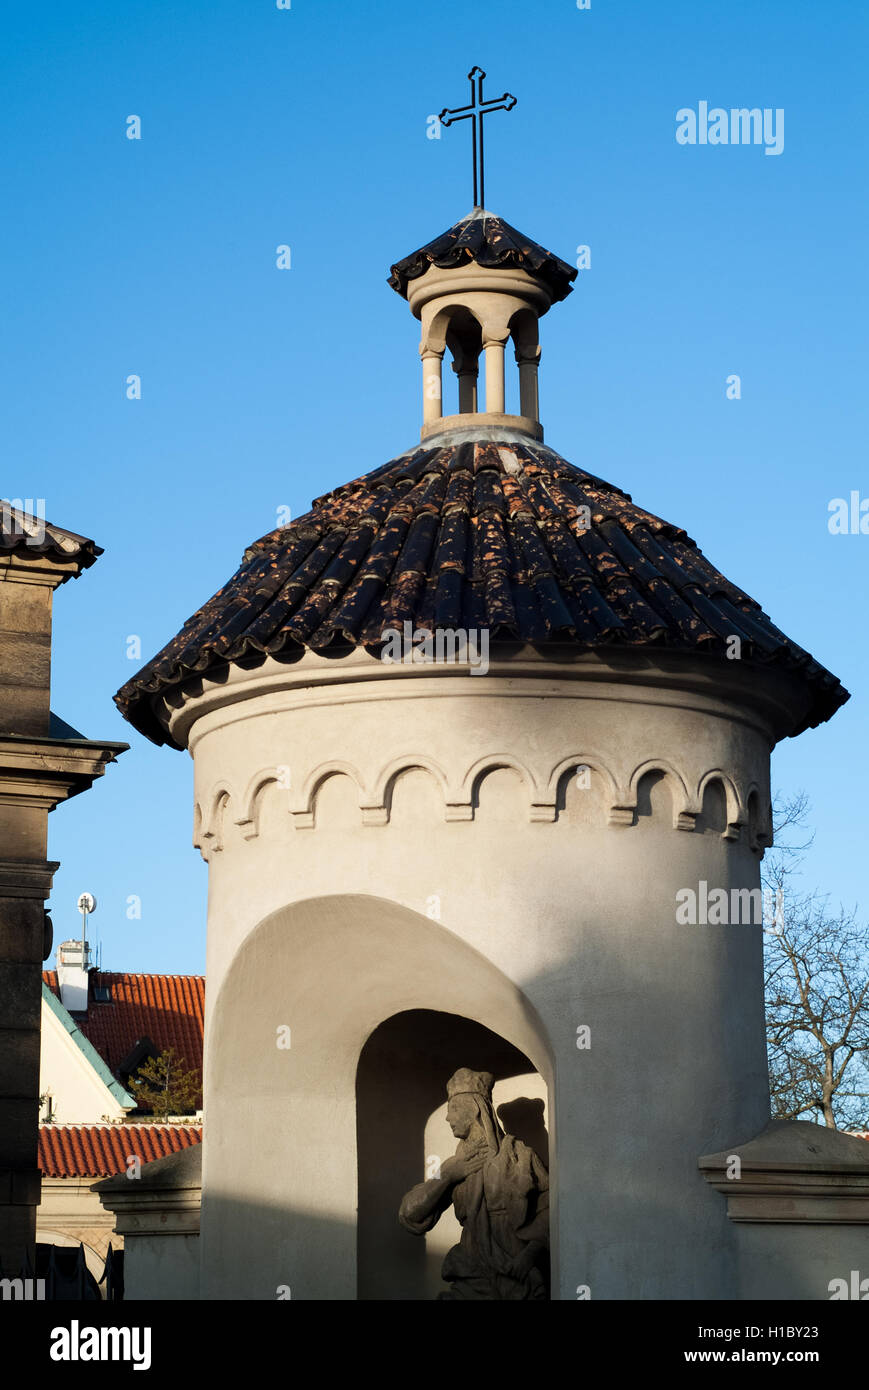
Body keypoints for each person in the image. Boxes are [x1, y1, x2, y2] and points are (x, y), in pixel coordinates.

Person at [398, 1067, 549, 1300]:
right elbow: (410, 1214)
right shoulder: (450, 1166)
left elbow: (548, 1210)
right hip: (471, 1273)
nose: (448, 1117)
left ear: (475, 1109)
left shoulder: (520, 1155)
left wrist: (527, 1257)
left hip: (515, 1273)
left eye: (454, 1109)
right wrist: (448, 1176)